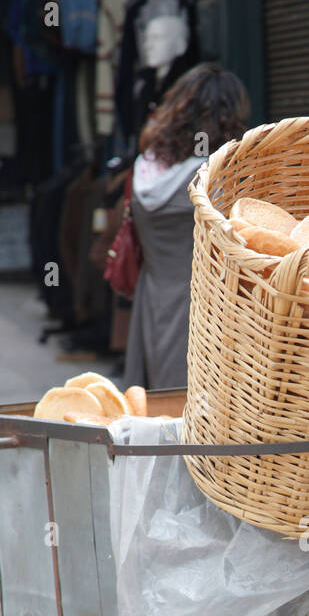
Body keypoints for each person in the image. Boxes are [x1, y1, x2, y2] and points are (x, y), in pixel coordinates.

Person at [124, 62, 250, 389]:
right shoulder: (219, 180)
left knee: (159, 411)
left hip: (153, 302)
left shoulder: (145, 166)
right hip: (211, 310)